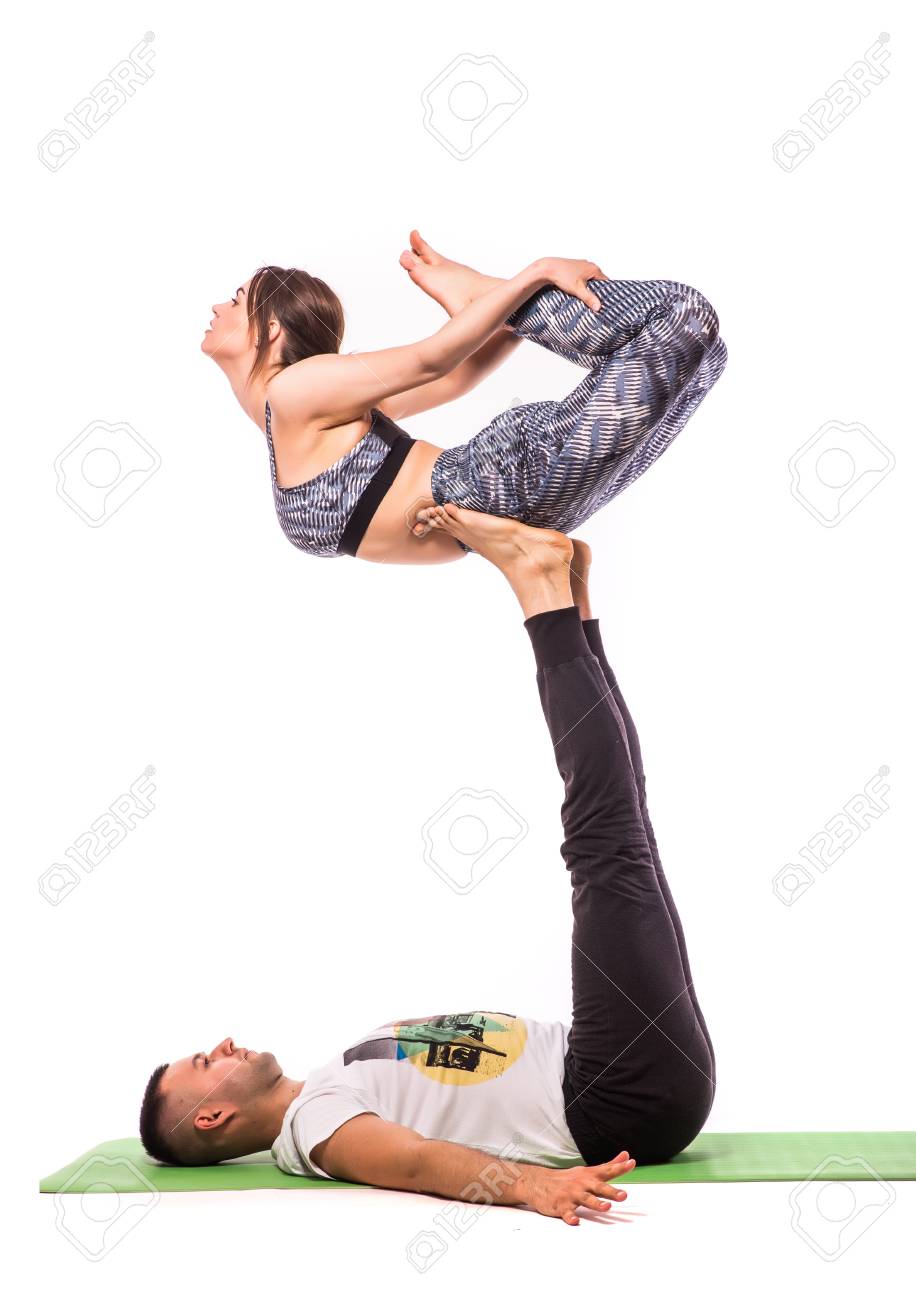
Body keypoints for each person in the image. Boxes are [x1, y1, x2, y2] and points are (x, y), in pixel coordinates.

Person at [139, 511, 716, 1226]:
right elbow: (413, 1163)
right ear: (213, 1117)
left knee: (624, 835)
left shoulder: (329, 1076)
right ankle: (543, 594)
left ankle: (570, 597)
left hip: (615, 1067)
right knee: (607, 845)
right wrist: (535, 1188)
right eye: (205, 1063)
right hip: (613, 1094)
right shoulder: (315, 1129)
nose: (221, 1045)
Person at [201, 232, 727, 562]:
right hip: (517, 509)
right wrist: (501, 306)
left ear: (269, 329)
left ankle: (483, 289)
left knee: (686, 321)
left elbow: (436, 360)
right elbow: (454, 378)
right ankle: (485, 295)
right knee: (704, 358)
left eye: (235, 299)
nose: (218, 307)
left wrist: (532, 275)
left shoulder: (297, 390)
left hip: (513, 476)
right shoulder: (301, 415)